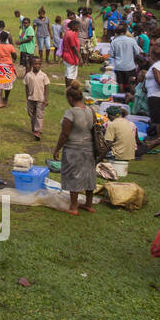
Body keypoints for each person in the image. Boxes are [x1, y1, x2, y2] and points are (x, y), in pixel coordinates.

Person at [53, 84, 98, 215]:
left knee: (74, 176)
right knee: (89, 175)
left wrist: (57, 149)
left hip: (73, 148)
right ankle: (88, 204)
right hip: (89, 147)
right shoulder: (90, 110)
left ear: (71, 99)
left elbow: (65, 134)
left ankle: (73, 207)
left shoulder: (71, 113)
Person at [23, 58, 50, 141]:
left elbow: (46, 87)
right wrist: (27, 96)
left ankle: (37, 131)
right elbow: (26, 86)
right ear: (32, 64)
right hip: (31, 98)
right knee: (31, 114)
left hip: (40, 99)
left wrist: (46, 99)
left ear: (41, 64)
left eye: (39, 64)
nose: (37, 65)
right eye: (35, 63)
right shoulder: (28, 75)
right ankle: (34, 128)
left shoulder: (43, 75)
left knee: (39, 114)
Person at [61, 18, 81, 84]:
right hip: (71, 56)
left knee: (68, 73)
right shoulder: (71, 34)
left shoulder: (68, 32)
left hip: (66, 55)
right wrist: (80, 58)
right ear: (73, 26)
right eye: (77, 26)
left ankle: (68, 88)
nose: (78, 27)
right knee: (71, 75)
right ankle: (70, 88)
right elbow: (74, 47)